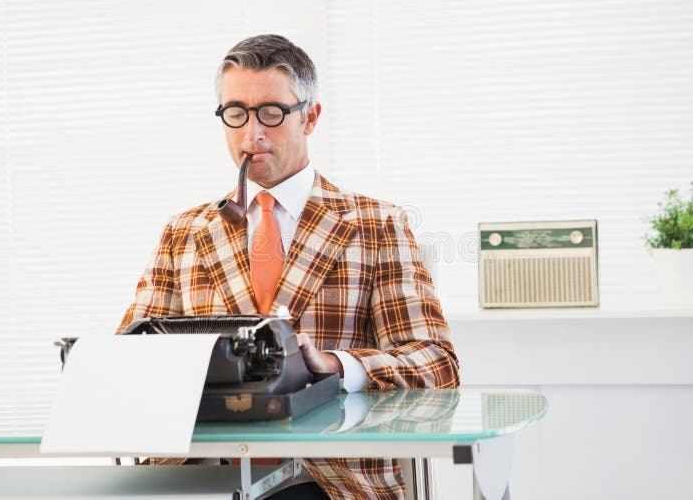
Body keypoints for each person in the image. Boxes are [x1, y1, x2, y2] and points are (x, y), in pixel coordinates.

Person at [117, 34, 459, 500]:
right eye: (235, 113)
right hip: (203, 475)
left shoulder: (375, 224)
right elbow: (127, 359)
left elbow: (436, 361)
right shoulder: (185, 231)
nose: (251, 134)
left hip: (327, 477)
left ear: (310, 117)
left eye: (271, 113)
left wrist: (336, 366)